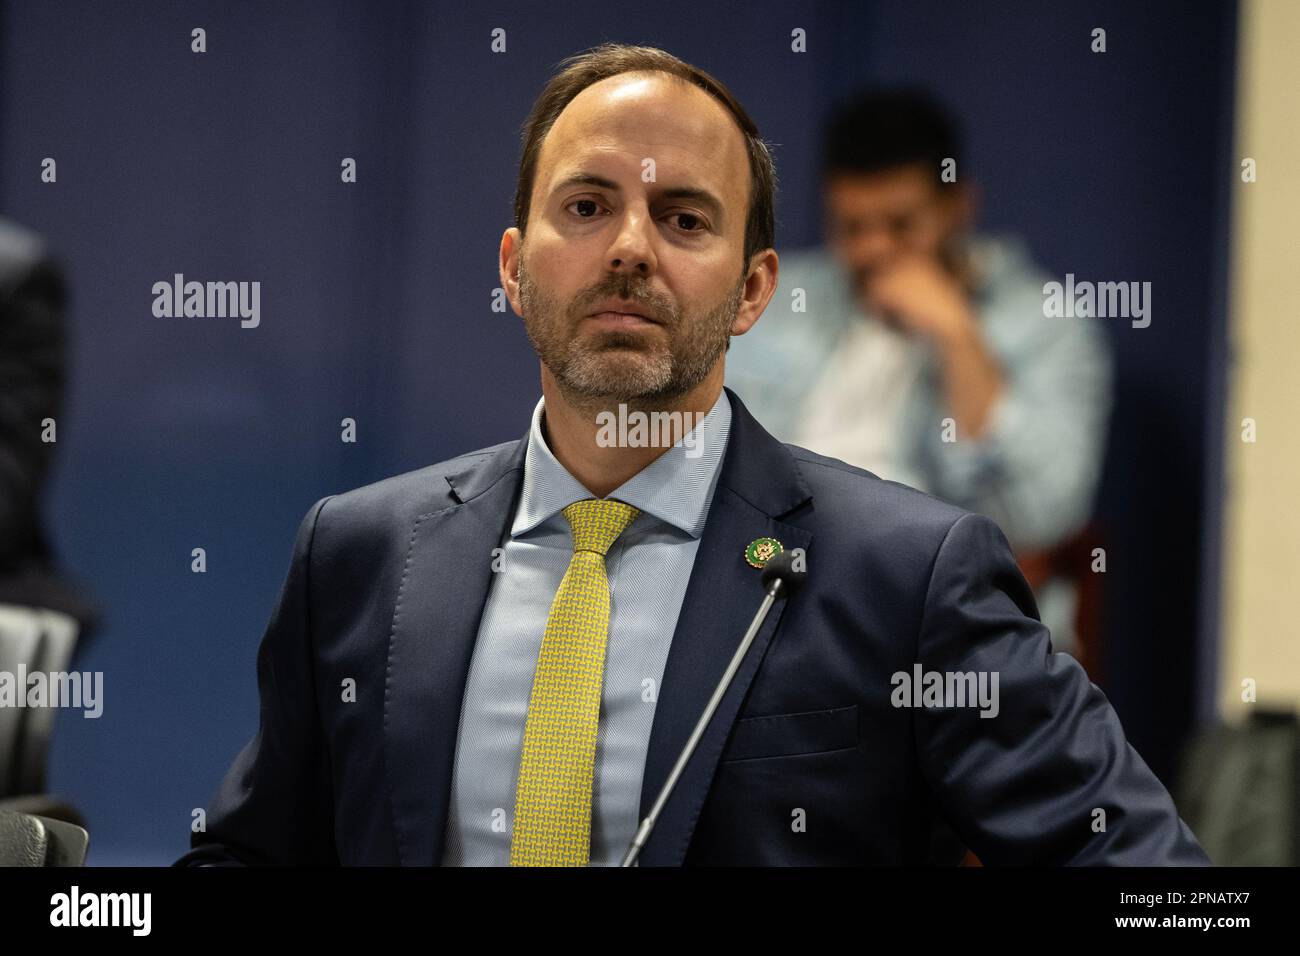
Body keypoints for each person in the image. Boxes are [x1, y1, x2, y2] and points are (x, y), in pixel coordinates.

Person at [177, 43, 1206, 866]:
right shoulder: (357, 552)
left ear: (754, 289)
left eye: (681, 217)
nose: (629, 247)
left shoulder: (909, 576)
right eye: (585, 206)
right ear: (511, 267)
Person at [726, 90, 1112, 660]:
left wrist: (957, 338)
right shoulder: (778, 298)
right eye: (852, 227)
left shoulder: (1046, 324)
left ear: (959, 207)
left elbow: (1041, 517)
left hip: (945, 613)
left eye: (901, 225)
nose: (874, 249)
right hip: (774, 593)